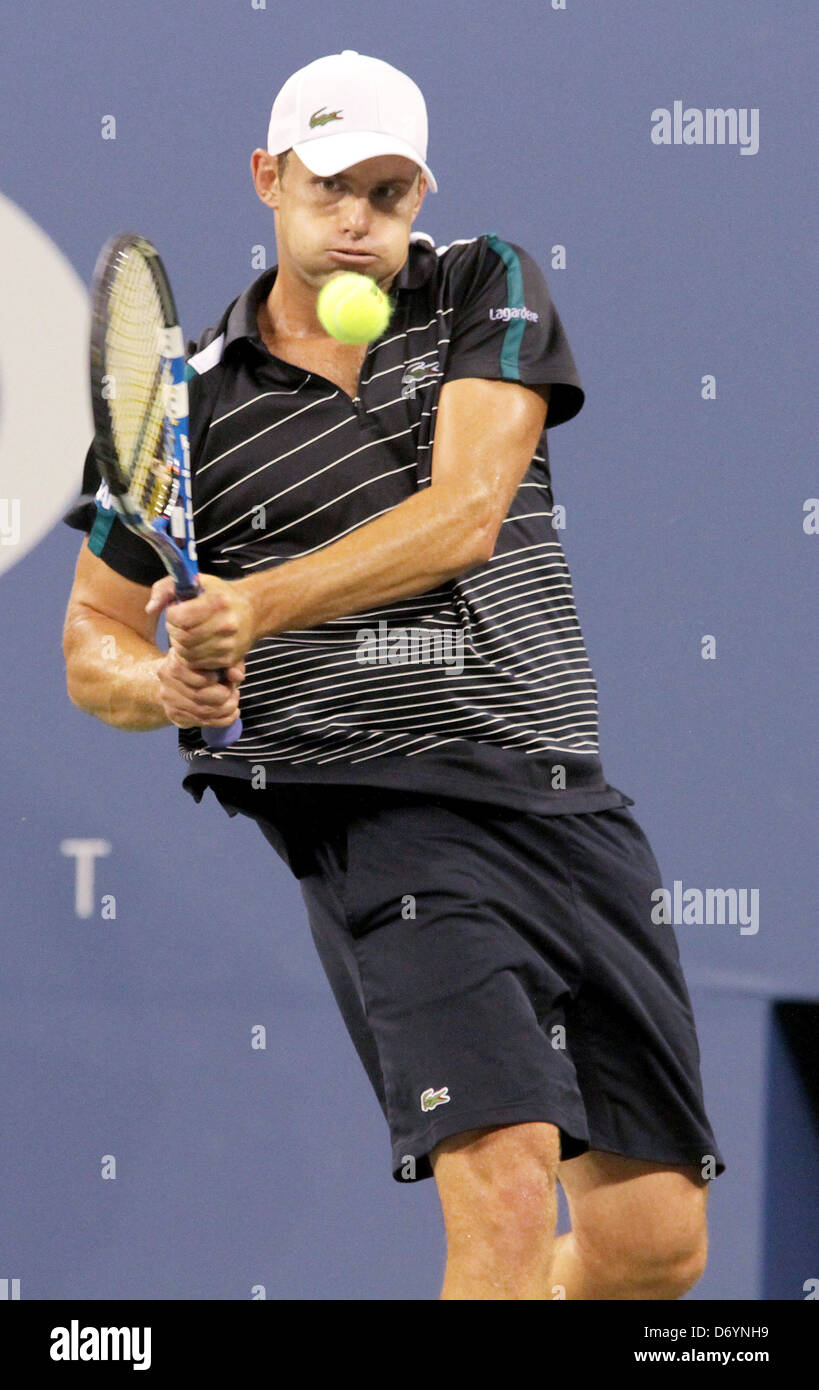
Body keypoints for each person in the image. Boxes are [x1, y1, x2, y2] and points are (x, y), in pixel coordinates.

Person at [63, 49, 725, 1300]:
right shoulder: (187, 407)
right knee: (509, 1186)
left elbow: (467, 511)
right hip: (381, 817)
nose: (358, 221)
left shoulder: (488, 283)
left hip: (565, 803)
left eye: (388, 190)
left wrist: (254, 604)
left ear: (423, 192)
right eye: (329, 187)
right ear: (267, 177)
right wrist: (164, 688)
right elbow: (92, 635)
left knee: (653, 1249)